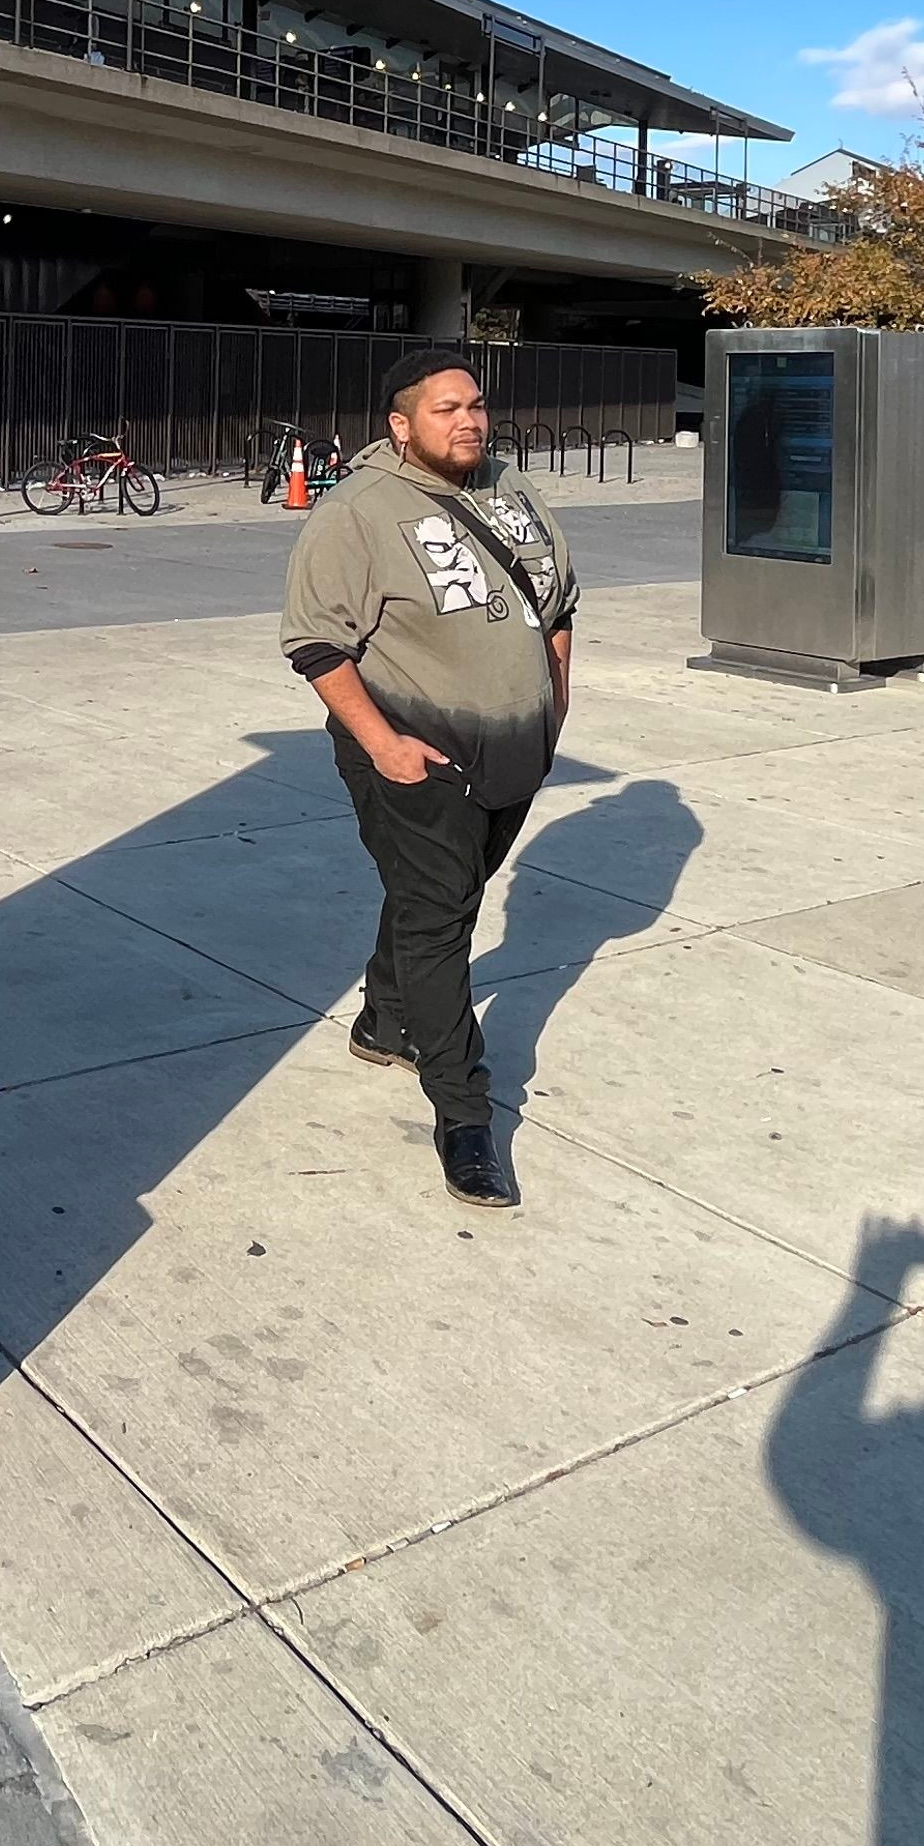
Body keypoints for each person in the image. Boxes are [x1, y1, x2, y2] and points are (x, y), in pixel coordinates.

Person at [278, 348, 579, 1210]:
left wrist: (554, 708)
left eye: (476, 405)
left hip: (516, 752)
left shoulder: (514, 493)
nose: (469, 421)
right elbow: (317, 645)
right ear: (401, 425)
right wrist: (384, 747)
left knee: (434, 899)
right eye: (446, 409)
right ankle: (465, 1113)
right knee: (443, 915)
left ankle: (382, 1019)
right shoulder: (359, 513)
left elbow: (558, 606)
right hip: (416, 755)